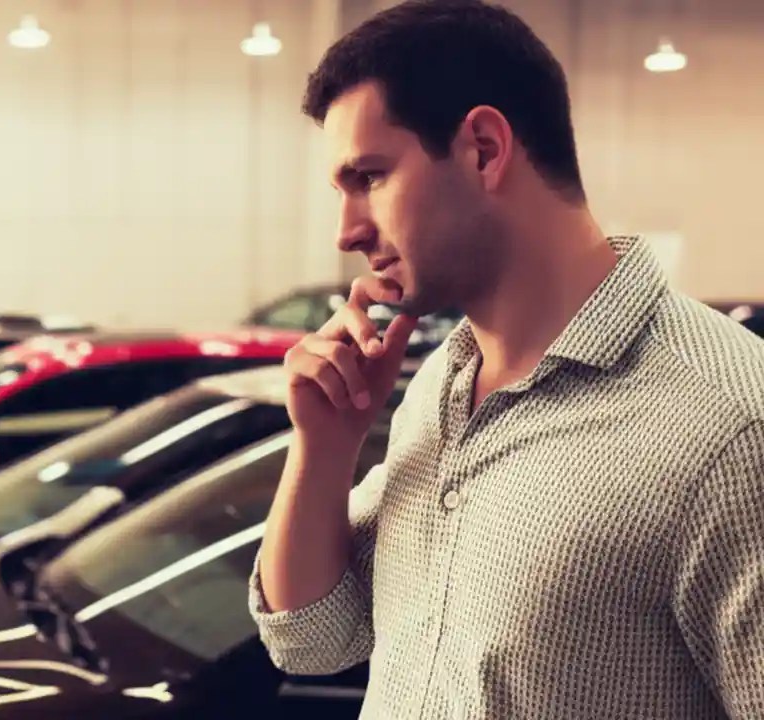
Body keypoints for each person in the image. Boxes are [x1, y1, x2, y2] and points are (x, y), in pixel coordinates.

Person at [250, 1, 764, 718]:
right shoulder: (440, 385)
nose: (346, 232)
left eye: (369, 177)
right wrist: (324, 448)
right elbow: (311, 641)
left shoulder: (733, 428)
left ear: (485, 149)